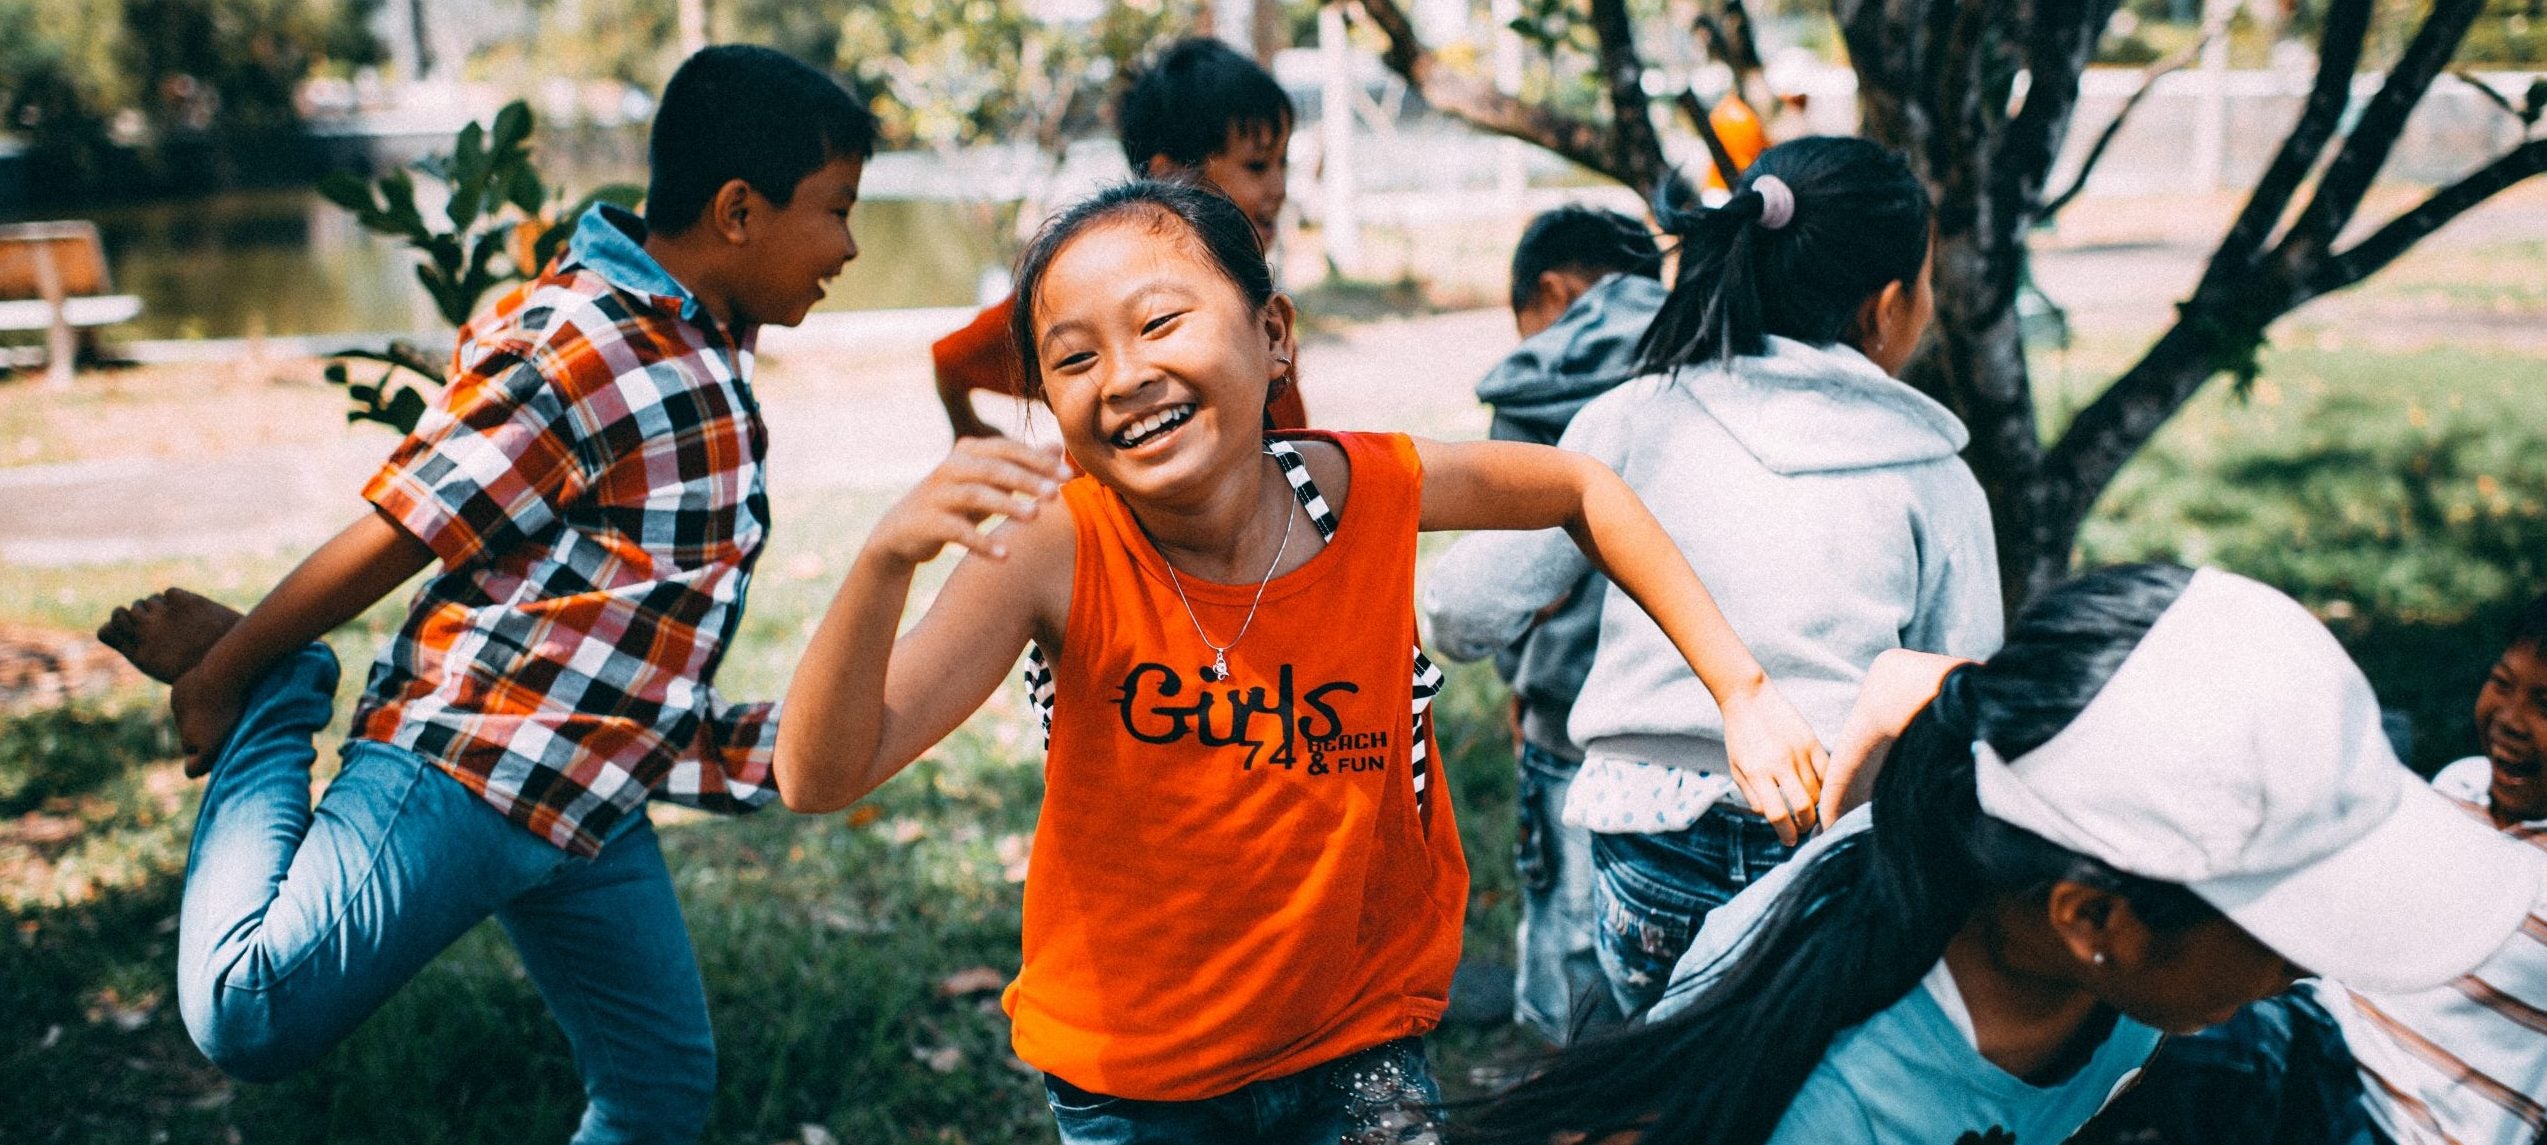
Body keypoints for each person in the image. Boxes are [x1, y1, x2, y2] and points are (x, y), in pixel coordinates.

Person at [772, 179, 1824, 1145]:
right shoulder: (1057, 549)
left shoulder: (1364, 492)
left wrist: (1743, 689)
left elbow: (1582, 488)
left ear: (1272, 335)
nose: (1127, 375)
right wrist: (883, 560)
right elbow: (821, 775)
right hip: (1137, 1077)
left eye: (1160, 322)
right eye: (1076, 356)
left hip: (1358, 1034)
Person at [90, 45, 874, 1143]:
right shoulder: (584, 337)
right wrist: (230, 673)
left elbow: (631, 611)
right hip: (475, 763)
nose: (849, 244)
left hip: (588, 799)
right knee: (248, 1010)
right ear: (740, 209)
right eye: (838, 210)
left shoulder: (700, 334)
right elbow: (411, 522)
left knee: (658, 1084)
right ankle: (285, 685)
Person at [1457, 564, 2546, 1145]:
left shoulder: (2023, 833)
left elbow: (1915, 687)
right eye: (2287, 928)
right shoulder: (1829, 1110)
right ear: (2094, 919)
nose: (2313, 971)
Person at [1424, 136, 2002, 1021]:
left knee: (1662, 1081)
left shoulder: (1630, 420)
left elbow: (1460, 609)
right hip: (1827, 851)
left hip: (1645, 846)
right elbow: (1959, 691)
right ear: (1887, 306)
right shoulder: (1932, 473)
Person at [2074, 588, 2547, 1145]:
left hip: (2401, 1126)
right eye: (2501, 683)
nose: (2510, 718)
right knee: (2152, 1004)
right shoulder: (2458, 786)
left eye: (2545, 703)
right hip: (2319, 1030)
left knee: (2207, 1046)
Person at [1426, 204, 1663, 1043]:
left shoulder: (1541, 382)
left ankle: (1558, 1088)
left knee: (1568, 947)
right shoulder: (1702, 358)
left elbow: (1498, 587)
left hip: (1567, 714)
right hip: (1694, 728)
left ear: (1552, 291)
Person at [934, 36, 1306, 442]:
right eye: (1256, 166)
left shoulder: (1251, 291)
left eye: (1282, 162)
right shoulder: (1094, 287)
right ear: (1173, 177)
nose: (1279, 187)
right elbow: (952, 357)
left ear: (1273, 327)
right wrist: (968, 428)